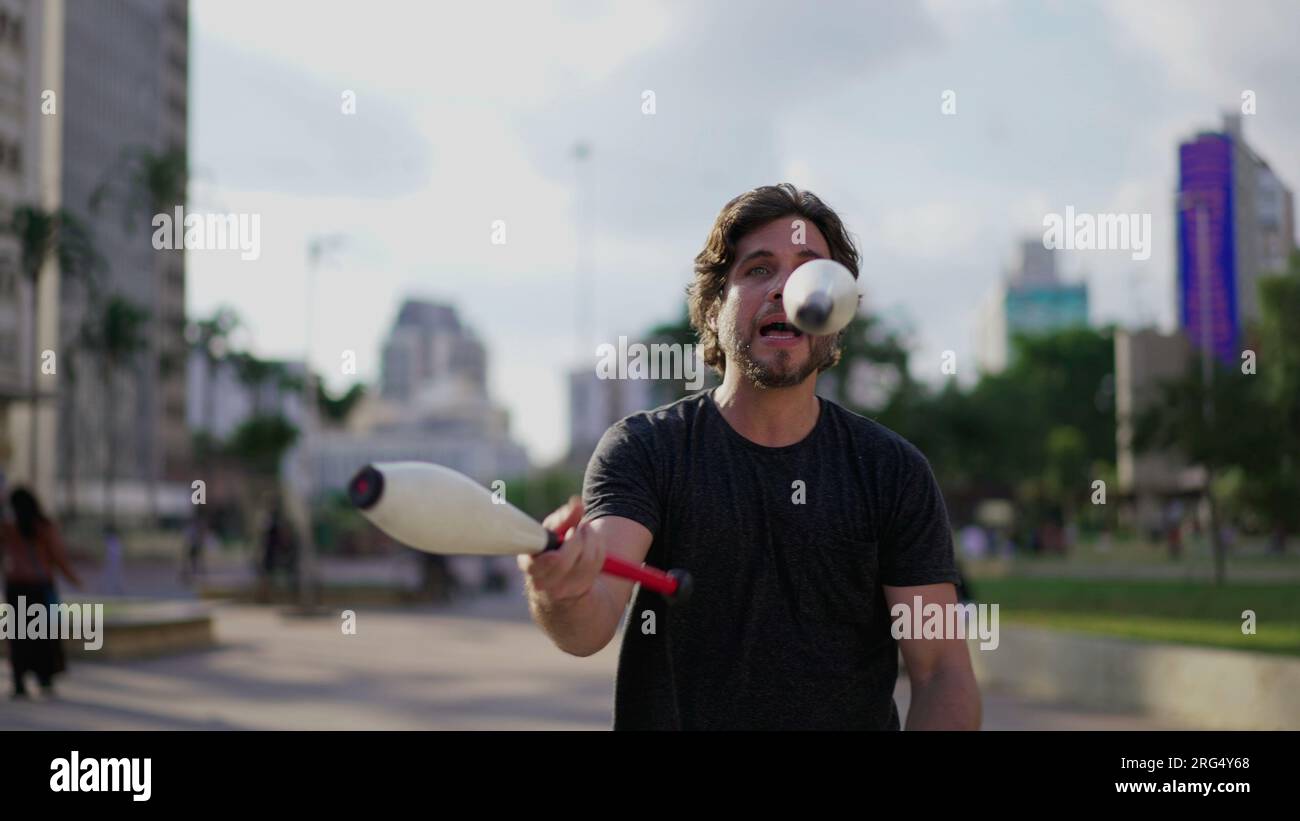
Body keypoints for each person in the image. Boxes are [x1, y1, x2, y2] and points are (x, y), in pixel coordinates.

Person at [519, 184, 981, 730]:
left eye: (811, 272)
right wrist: (563, 591)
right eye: (760, 269)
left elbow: (942, 672)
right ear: (714, 309)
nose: (787, 287)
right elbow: (589, 624)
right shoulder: (645, 450)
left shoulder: (893, 472)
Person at [0, 487, 83, 699]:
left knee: (18, 636)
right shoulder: (43, 527)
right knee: (44, 636)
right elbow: (58, 557)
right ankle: (44, 678)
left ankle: (19, 681)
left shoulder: (9, 528)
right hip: (39, 586)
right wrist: (74, 579)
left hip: (16, 587)